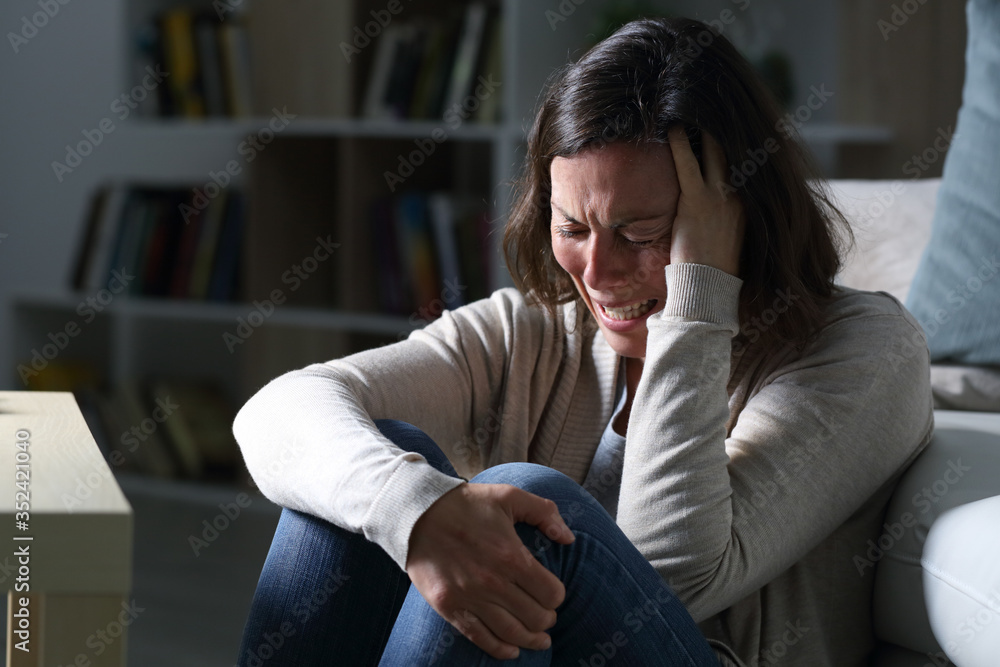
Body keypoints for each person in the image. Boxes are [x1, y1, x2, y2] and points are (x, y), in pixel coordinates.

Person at [234, 17, 933, 667]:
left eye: (642, 235)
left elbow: (671, 576)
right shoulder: (537, 331)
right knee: (370, 469)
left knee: (526, 506)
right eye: (573, 227)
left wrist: (695, 302)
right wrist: (413, 512)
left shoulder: (865, 351)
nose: (596, 273)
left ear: (735, 215)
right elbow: (278, 410)